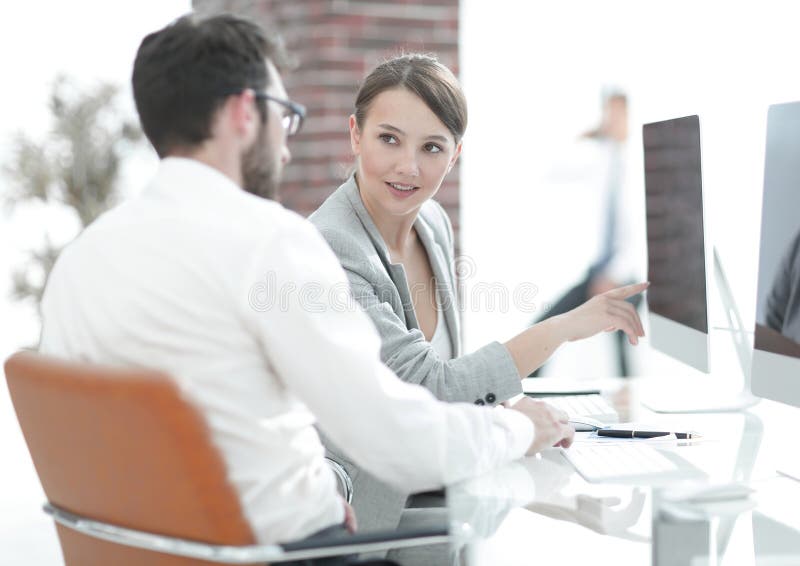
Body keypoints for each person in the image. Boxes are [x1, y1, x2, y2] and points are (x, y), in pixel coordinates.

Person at [36, 14, 574, 566]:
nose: (287, 149)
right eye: (284, 116)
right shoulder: (271, 244)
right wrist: (517, 428)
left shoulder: (80, 260)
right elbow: (395, 441)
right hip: (285, 553)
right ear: (246, 112)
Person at [309, 54, 647, 541]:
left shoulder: (431, 223)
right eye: (389, 139)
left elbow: (449, 386)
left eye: (432, 147)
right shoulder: (331, 247)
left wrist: (559, 496)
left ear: (455, 155)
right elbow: (430, 387)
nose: (408, 166)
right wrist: (563, 327)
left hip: (440, 486)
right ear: (356, 135)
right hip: (368, 517)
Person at [530, 91, 643, 377]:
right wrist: (582, 137)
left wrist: (613, 275)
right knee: (547, 325)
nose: (612, 120)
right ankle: (528, 383)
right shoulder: (604, 157)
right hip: (598, 271)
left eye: (617, 114)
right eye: (608, 113)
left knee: (624, 343)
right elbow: (551, 171)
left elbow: (636, 233)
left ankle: (629, 395)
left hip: (627, 277)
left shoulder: (637, 161)